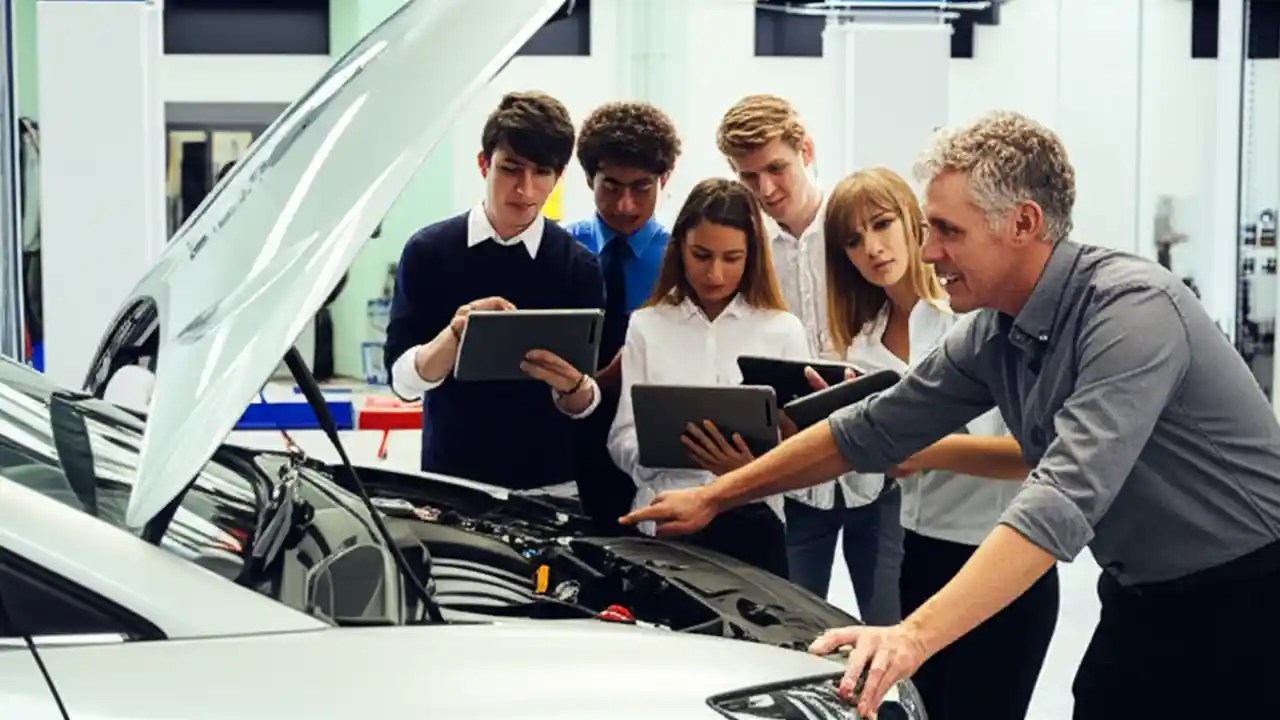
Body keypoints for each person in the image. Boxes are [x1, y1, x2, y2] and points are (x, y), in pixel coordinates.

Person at [620, 109, 1280, 719]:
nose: (928, 250)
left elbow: (1059, 499)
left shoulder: (1132, 313)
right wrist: (714, 498)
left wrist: (912, 638)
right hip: (1140, 596)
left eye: (946, 230)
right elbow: (871, 429)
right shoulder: (994, 330)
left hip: (1249, 596)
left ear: (1022, 224)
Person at [813, 166, 1058, 719]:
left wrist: (927, 448)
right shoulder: (861, 346)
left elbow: (1035, 454)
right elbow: (868, 476)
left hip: (1001, 555)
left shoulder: (974, 322)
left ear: (915, 223)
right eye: (853, 240)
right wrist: (833, 431)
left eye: (882, 225)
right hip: (918, 552)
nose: (873, 249)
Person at [715, 93, 903, 624]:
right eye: (748, 177)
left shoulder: (857, 229)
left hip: (880, 466)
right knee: (789, 626)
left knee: (889, 623)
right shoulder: (744, 249)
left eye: (776, 168)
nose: (766, 189)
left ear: (807, 150)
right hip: (795, 471)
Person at [384, 91, 604, 491]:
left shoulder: (578, 265)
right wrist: (452, 336)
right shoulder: (428, 252)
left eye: (541, 172)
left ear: (558, 176)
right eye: (510, 169)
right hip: (452, 482)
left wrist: (574, 387)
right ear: (483, 163)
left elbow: (586, 403)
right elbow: (402, 383)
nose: (525, 188)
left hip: (550, 486)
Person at [606, 177, 807, 577]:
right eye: (702, 255)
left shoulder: (782, 330)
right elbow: (621, 437)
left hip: (754, 525)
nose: (715, 273)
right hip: (664, 519)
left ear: (753, 256)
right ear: (679, 247)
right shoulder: (648, 325)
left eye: (732, 258)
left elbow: (804, 452)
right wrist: (658, 452)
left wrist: (749, 472)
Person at [563, 100, 682, 530]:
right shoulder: (560, 251)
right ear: (588, 178)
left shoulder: (684, 261)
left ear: (664, 180)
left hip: (649, 441)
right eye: (610, 187)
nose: (626, 206)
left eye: (642, 188)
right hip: (562, 444)